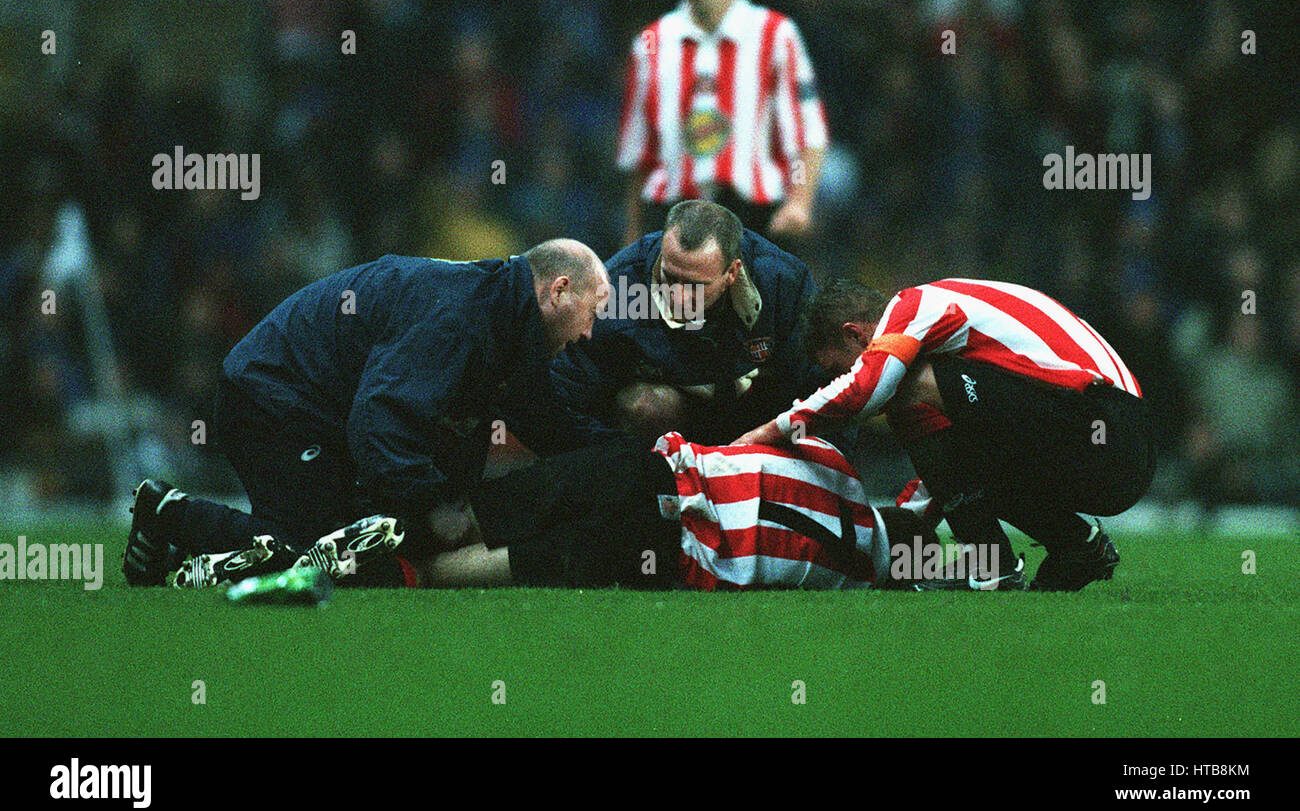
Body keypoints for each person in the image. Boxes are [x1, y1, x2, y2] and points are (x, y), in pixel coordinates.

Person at [123, 240, 610, 589]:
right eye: (595, 310)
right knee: (320, 552)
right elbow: (379, 419)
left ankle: (187, 548)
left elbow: (546, 419)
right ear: (559, 290)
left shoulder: (503, 319)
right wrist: (433, 506)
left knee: (356, 553)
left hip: (304, 403)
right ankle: (174, 515)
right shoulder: (460, 316)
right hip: (270, 397)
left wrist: (633, 457)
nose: (590, 334)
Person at [734, 278, 1157, 591]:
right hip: (1111, 454)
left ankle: (993, 566)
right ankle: (1072, 546)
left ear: (854, 333)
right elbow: (947, 469)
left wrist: (766, 433)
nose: (838, 382)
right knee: (924, 406)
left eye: (836, 371)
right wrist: (897, 537)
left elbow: (867, 388)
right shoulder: (949, 344)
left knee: (906, 384)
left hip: (1109, 428)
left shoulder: (914, 304)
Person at [414, 431, 941, 591]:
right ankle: (405, 574)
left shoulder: (833, 459)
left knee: (479, 514)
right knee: (519, 562)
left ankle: (375, 534)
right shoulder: (849, 577)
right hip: (662, 545)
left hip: (649, 472)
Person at [617, 0, 827, 247]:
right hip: (671, 212)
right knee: (679, 300)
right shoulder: (651, 42)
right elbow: (638, 150)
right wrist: (632, 229)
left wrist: (799, 203)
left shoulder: (774, 34)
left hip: (752, 211)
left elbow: (808, 129)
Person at [551, 201, 821, 446]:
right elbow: (567, 398)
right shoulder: (616, 291)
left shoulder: (784, 283)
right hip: (667, 432)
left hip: (756, 424)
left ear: (732, 272)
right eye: (669, 277)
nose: (678, 297)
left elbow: (817, 385)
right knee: (645, 407)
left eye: (695, 286)